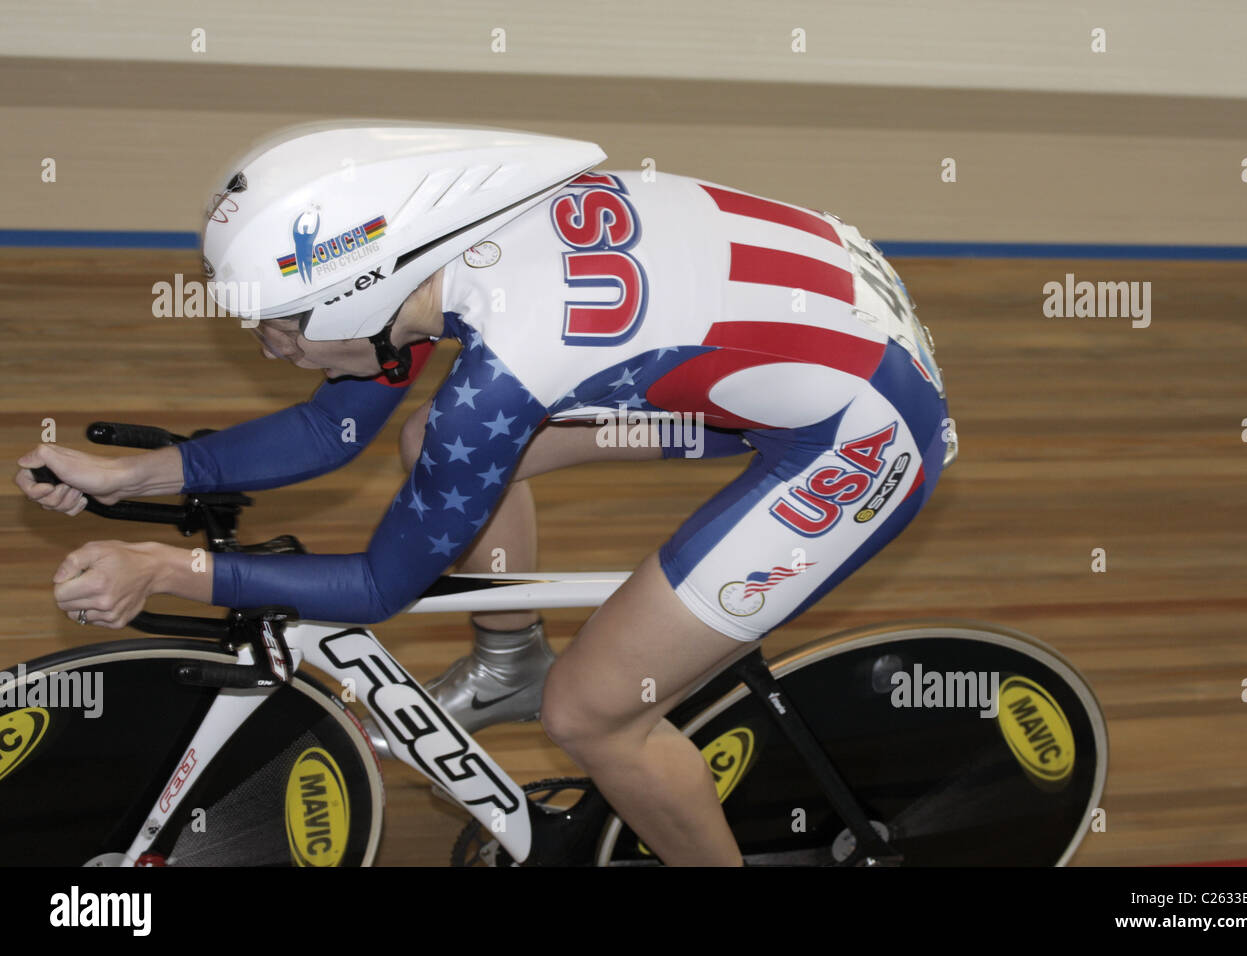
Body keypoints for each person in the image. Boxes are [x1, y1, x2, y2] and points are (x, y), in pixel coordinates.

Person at [16, 122, 952, 866]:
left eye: (279, 327)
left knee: (591, 714)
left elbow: (384, 585)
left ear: (352, 296)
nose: (273, 348)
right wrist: (138, 472)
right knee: (434, 442)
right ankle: (509, 662)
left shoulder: (502, 369)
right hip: (809, 320)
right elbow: (331, 428)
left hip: (859, 432)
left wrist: (171, 567)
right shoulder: (439, 251)